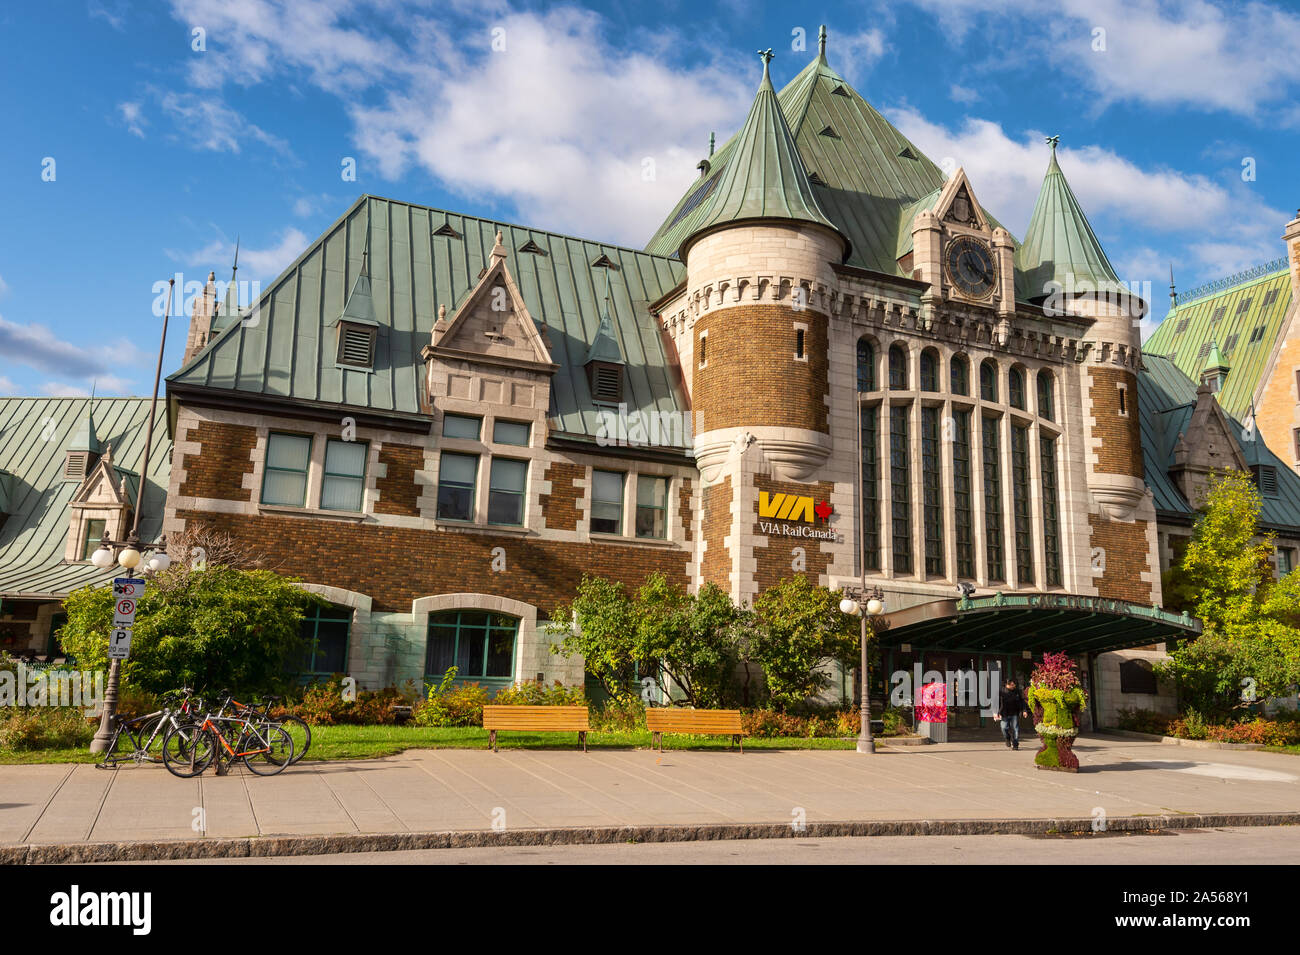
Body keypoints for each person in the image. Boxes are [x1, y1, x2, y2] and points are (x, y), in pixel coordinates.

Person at [998, 677, 1029, 750]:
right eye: (1011, 685)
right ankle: (1007, 738)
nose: (1013, 686)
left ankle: (1015, 744)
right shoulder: (1001, 691)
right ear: (1006, 685)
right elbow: (995, 701)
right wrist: (996, 712)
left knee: (1015, 729)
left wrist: (1024, 710)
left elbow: (1022, 701)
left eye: (1013, 685)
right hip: (1004, 713)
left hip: (1014, 713)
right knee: (1004, 728)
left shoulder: (1017, 691)